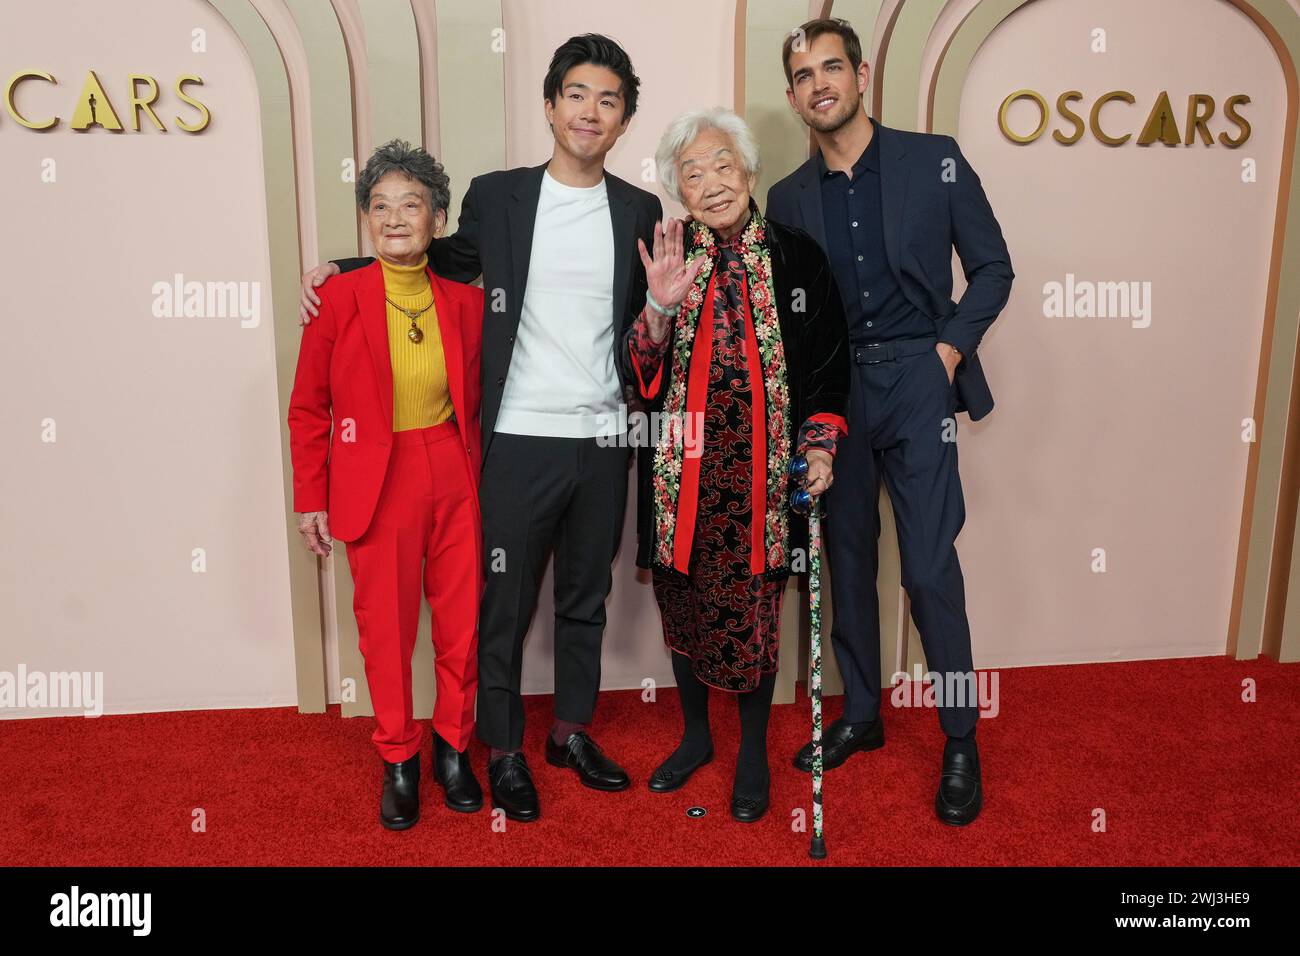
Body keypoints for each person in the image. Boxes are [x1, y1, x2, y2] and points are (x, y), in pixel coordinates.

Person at [299, 35, 662, 822]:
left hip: (606, 438)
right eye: (575, 94)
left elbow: (643, 326)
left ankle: (569, 732)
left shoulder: (640, 209)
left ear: (624, 118)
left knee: (587, 595)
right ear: (550, 106)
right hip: (517, 437)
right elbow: (441, 259)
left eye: (607, 99)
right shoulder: (499, 198)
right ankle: (500, 750)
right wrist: (343, 270)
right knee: (499, 606)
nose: (589, 111)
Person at [766, 18, 1015, 826]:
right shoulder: (787, 198)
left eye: (831, 67)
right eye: (803, 75)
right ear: (793, 96)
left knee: (929, 568)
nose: (820, 84)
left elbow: (993, 268)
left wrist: (947, 351)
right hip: (837, 393)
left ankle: (960, 737)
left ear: (862, 74)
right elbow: (796, 315)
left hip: (918, 377)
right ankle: (863, 714)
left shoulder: (934, 158)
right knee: (845, 562)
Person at [626, 107, 850, 822]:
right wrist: (657, 310)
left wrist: (819, 444)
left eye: (723, 164)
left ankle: (751, 749)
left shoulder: (796, 256)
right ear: (678, 190)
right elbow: (636, 378)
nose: (712, 182)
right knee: (683, 606)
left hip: (764, 480)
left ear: (749, 172)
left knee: (756, 616)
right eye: (693, 173)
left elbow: (828, 364)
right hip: (680, 480)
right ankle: (696, 737)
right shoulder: (665, 254)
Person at [288, 139, 486, 830]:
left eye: (411, 204)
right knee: (385, 630)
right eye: (380, 206)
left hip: (453, 468)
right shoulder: (335, 300)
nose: (395, 218)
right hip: (375, 476)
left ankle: (454, 749)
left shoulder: (467, 303)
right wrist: (311, 498)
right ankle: (398, 755)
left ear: (438, 218)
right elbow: (309, 408)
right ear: (366, 218)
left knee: (461, 625)